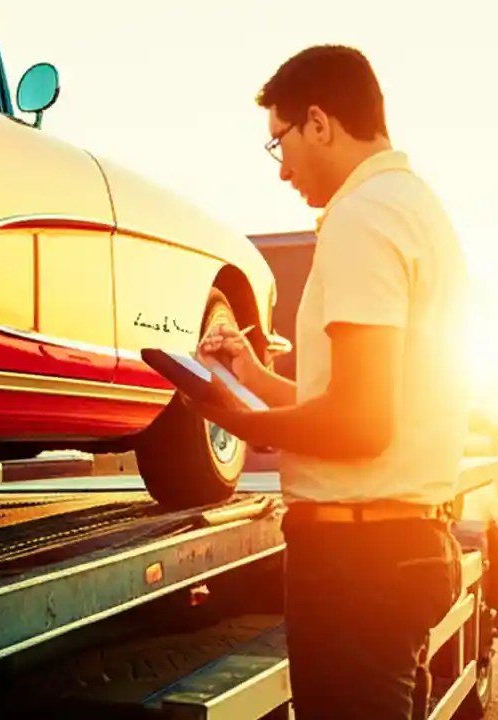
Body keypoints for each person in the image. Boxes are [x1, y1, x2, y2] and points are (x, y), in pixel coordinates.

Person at [185, 45, 469, 719]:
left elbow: (359, 425)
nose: (282, 168)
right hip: (397, 548)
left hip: (358, 564)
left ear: (319, 123)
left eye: (278, 142)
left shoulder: (363, 217)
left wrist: (234, 417)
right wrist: (255, 378)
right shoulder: (412, 205)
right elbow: (361, 400)